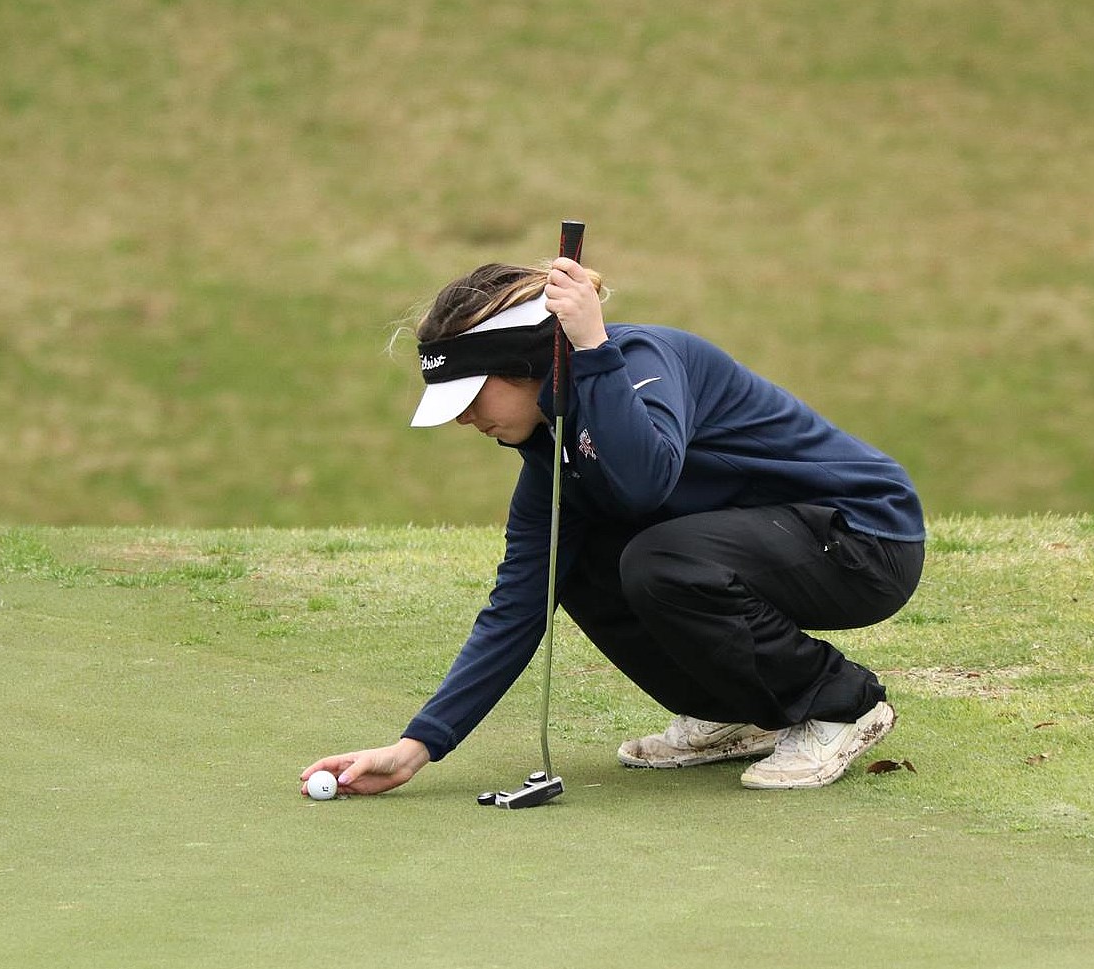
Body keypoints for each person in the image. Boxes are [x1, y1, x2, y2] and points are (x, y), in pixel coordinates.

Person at [300, 255, 925, 796]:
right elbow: (519, 603)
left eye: (470, 398)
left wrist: (594, 351)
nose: (463, 420)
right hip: (770, 545)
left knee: (660, 558)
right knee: (574, 562)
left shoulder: (641, 360)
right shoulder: (551, 451)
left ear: (522, 363)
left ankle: (844, 705)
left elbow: (646, 477)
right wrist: (417, 748)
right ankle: (734, 712)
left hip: (862, 538)